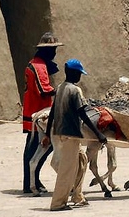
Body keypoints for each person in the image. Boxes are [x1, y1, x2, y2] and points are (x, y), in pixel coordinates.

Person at [45, 59, 105, 211]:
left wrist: (47, 134)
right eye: (79, 73)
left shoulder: (60, 88)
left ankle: (77, 195)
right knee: (67, 171)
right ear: (73, 73)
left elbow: (52, 112)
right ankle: (57, 203)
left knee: (82, 161)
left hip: (61, 133)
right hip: (70, 135)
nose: (80, 77)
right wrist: (98, 134)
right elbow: (83, 114)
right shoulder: (75, 90)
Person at [22, 32, 62, 194]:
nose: (54, 52)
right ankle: (29, 182)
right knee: (40, 148)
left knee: (36, 148)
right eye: (52, 49)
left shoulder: (37, 63)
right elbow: (44, 90)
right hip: (37, 113)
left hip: (34, 109)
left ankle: (34, 179)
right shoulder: (39, 67)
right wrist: (61, 92)